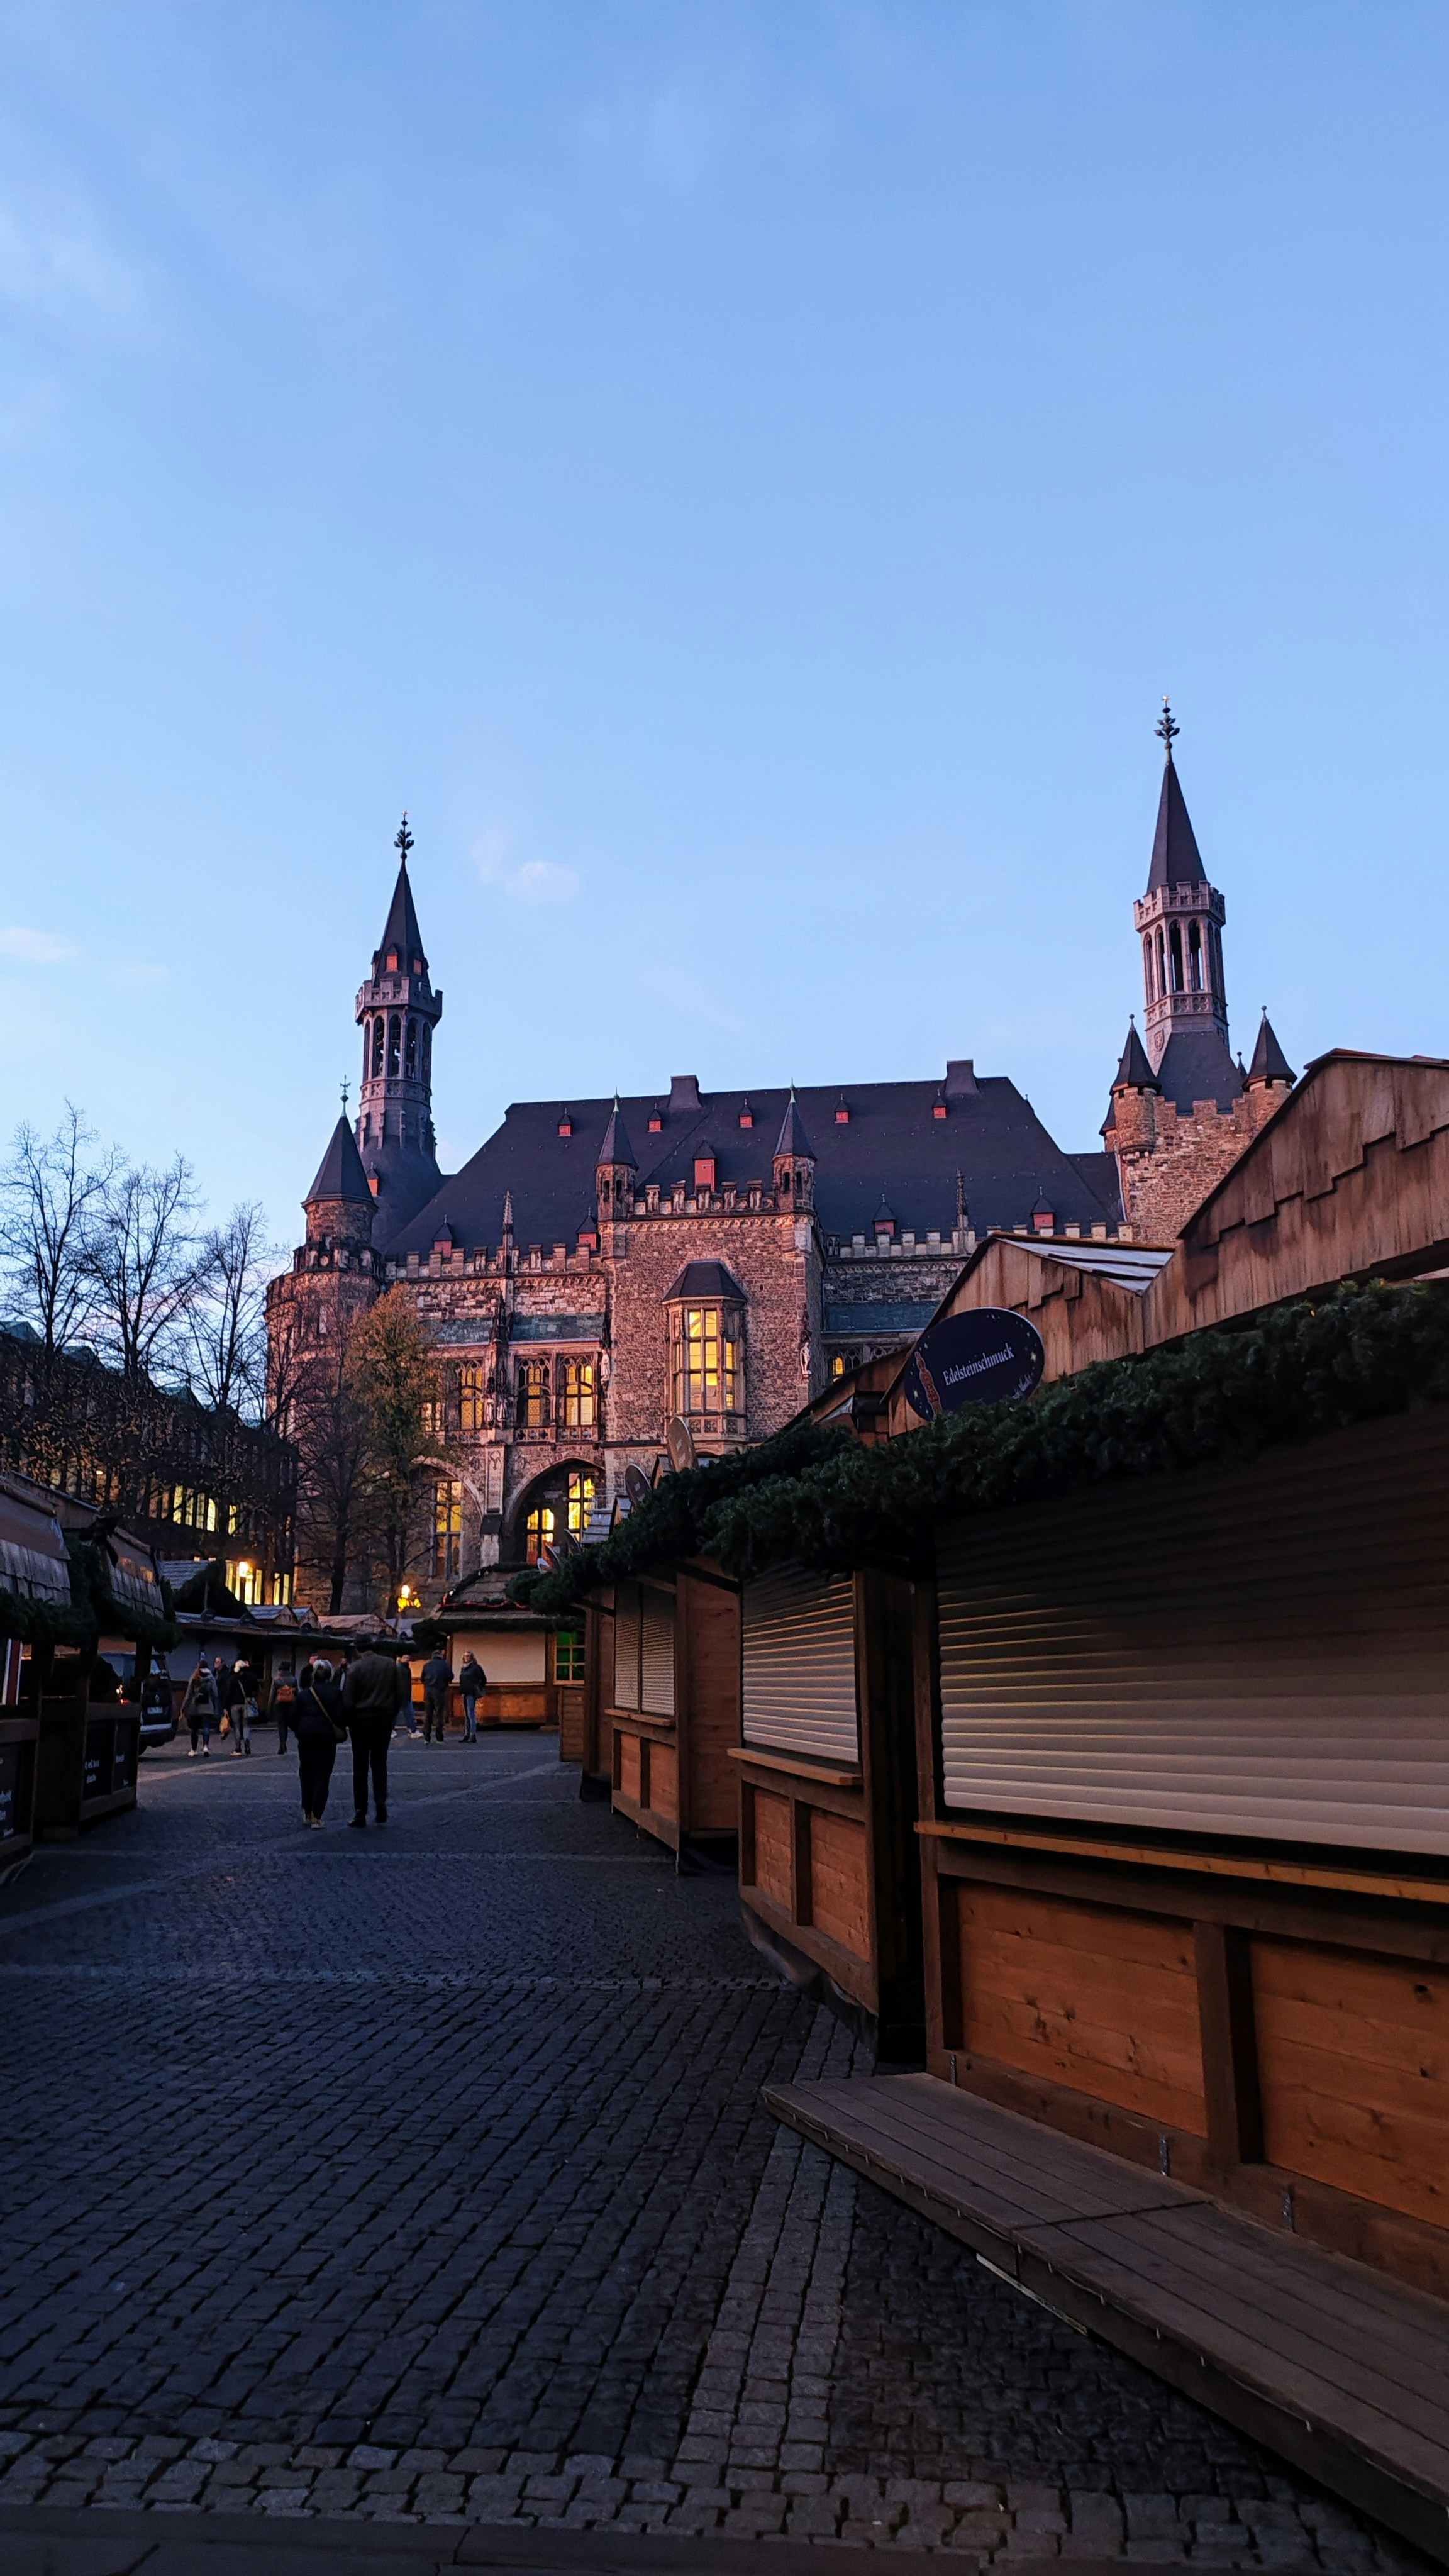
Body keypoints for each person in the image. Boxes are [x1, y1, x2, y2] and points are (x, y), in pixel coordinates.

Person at [341, 1641, 410, 1826]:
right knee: (380, 1763)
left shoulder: (355, 1669)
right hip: (383, 1719)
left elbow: (348, 1699)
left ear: (358, 1650)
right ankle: (380, 1801)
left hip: (361, 1720)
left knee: (360, 1766)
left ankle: (360, 1812)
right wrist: (392, 1714)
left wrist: (347, 1720)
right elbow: (400, 1692)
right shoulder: (390, 1665)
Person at [294, 1656, 345, 1828]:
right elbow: (341, 1717)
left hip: (307, 1738)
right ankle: (317, 1815)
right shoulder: (337, 1694)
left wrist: (299, 1730)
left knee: (307, 1774)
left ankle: (307, 1811)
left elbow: (293, 1718)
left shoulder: (304, 1695)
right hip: (327, 1739)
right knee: (323, 1775)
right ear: (330, 1675)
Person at [182, 1660, 218, 1755]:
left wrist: (184, 1707)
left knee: (195, 1729)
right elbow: (216, 1693)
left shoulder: (194, 1677)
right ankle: (206, 1747)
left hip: (195, 1707)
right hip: (207, 1706)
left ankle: (194, 1750)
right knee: (206, 1727)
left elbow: (189, 1694)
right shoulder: (211, 1677)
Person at [421, 1646, 452, 1744]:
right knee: (439, 1714)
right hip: (440, 1691)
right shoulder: (445, 1665)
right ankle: (439, 1737)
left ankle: (427, 1737)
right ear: (441, 1656)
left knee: (428, 1714)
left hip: (428, 1691)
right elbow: (450, 1676)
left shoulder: (427, 1665)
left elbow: (422, 1678)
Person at [231, 1657, 258, 1757]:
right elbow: (257, 1689)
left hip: (235, 1704)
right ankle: (247, 1740)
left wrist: (225, 1705)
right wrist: (252, 1697)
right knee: (246, 1725)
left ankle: (238, 1747)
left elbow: (229, 1692)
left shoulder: (233, 1678)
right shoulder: (252, 1677)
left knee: (237, 1726)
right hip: (247, 1704)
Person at [270, 1662, 298, 1753]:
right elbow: (297, 1693)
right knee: (290, 1723)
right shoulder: (293, 1679)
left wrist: (269, 1707)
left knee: (282, 1725)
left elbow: (272, 1694)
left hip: (279, 1703)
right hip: (291, 1703)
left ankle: (282, 1744)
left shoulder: (277, 1679)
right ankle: (287, 1742)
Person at [458, 1652, 486, 1743]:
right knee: (467, 1715)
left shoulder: (476, 1667)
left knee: (471, 1714)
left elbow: (483, 1679)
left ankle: (473, 1734)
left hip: (471, 1692)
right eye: (465, 1656)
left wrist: (477, 1686)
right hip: (465, 1692)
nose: (467, 1658)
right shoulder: (464, 1668)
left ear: (472, 1657)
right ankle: (467, 1733)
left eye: (468, 1656)